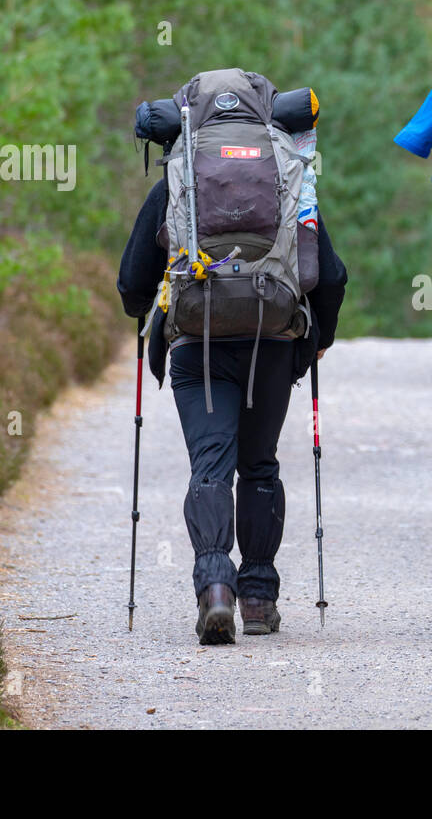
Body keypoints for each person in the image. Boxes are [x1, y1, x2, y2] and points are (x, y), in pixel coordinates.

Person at [116, 151, 346, 644]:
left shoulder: (178, 181)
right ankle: (259, 599)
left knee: (210, 467)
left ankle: (216, 588)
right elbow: (330, 274)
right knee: (259, 465)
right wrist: (317, 339)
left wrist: (146, 303)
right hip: (273, 338)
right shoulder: (287, 179)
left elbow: (133, 283)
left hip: (198, 344)